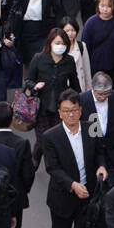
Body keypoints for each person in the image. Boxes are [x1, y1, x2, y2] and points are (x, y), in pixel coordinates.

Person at [43, 90, 112, 228]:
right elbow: (52, 168)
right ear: (59, 113)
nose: (70, 114)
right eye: (66, 111)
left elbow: (100, 151)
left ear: (81, 110)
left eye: (74, 110)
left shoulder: (91, 127)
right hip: (62, 197)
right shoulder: (50, 136)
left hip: (87, 197)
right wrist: (72, 184)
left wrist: (101, 166)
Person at [25, 29, 81, 166]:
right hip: (41, 108)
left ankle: (53, 165)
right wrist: (35, 86)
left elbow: (74, 84)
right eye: (57, 42)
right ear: (50, 43)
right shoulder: (39, 58)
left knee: (57, 137)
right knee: (43, 139)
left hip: (60, 108)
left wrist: (76, 100)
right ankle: (36, 158)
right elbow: (28, 80)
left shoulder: (69, 61)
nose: (60, 45)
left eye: (63, 43)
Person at [8, 0, 58, 66]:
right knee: (27, 62)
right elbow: (13, 12)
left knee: (41, 61)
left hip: (42, 31)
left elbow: (57, 11)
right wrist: (10, 31)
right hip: (26, 31)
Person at [61, 17, 92, 94]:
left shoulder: (82, 46)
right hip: (62, 89)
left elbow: (86, 70)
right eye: (67, 31)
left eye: (73, 30)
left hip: (79, 88)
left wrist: (88, 91)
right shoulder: (58, 47)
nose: (70, 33)